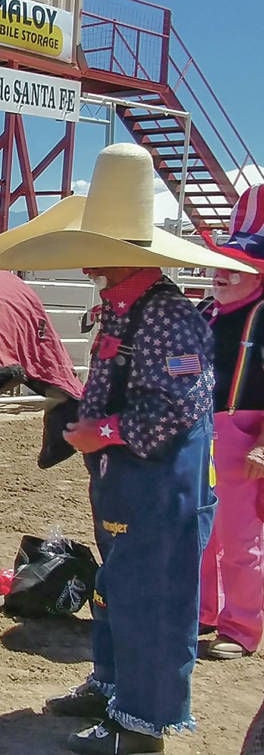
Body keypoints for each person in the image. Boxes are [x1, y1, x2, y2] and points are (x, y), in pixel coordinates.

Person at [0, 142, 254, 755]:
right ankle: (112, 688)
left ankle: (142, 724)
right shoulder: (123, 309)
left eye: (97, 257)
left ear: (126, 258)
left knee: (152, 597)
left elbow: (176, 408)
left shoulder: (167, 317)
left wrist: (98, 432)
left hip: (163, 483)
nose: (87, 269)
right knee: (116, 585)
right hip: (129, 480)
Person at [198, 185, 264, 660]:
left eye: (236, 267)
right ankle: (202, 611)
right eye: (219, 264)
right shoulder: (206, 315)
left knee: (242, 539)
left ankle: (241, 626)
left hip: (246, 442)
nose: (222, 274)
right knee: (200, 531)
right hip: (201, 434)